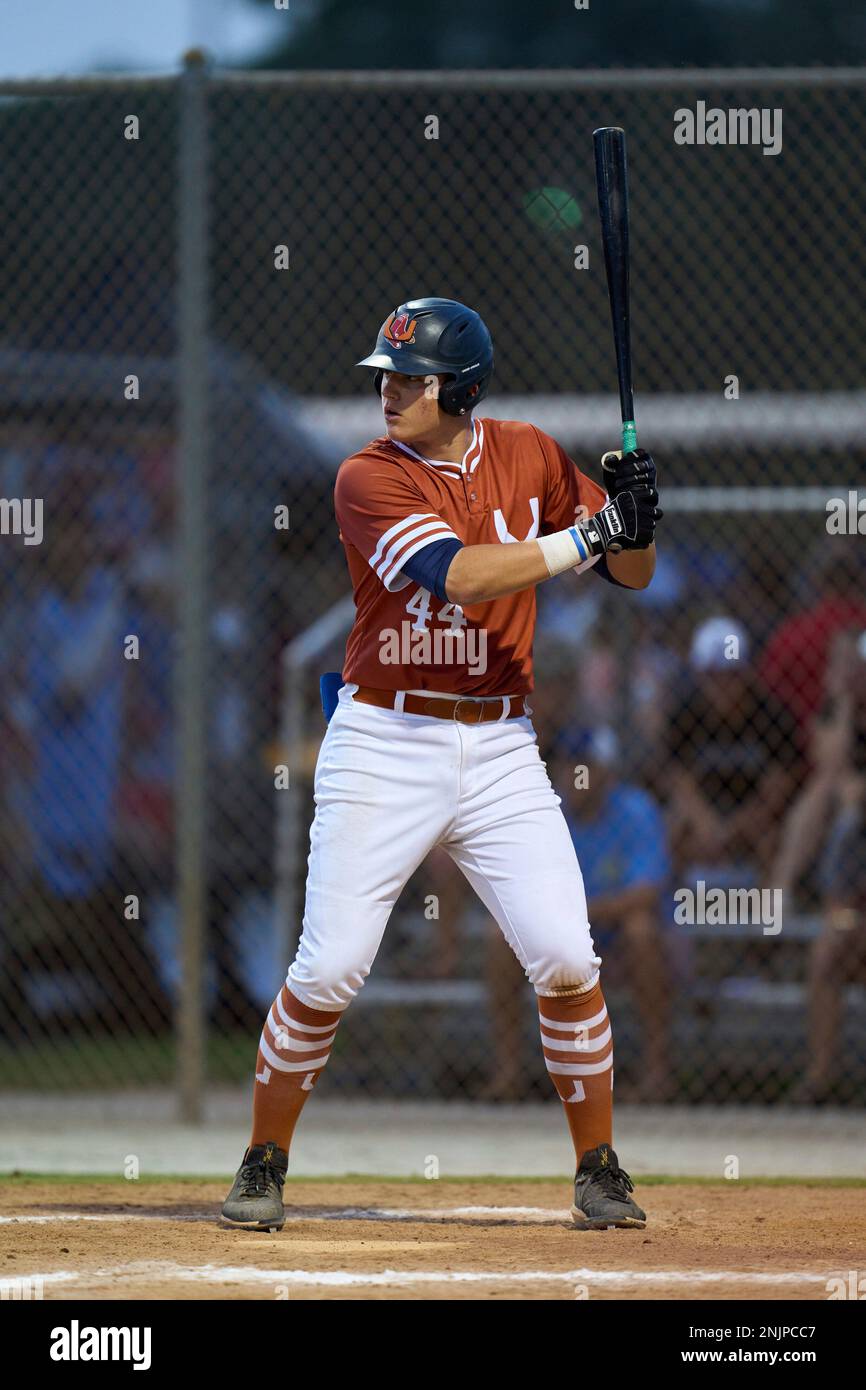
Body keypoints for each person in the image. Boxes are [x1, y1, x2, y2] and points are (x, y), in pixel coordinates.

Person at [221, 298, 662, 1232]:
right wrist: (591, 534)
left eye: (409, 380)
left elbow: (635, 576)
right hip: (385, 739)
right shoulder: (365, 478)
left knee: (565, 956)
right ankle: (264, 1157)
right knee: (331, 967)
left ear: (459, 388)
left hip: (501, 742)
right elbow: (461, 574)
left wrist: (635, 518)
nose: (388, 393)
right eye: (385, 377)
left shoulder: (530, 454)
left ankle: (599, 1167)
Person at [774, 629, 866, 1103]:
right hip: (851, 869)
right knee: (828, 954)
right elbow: (829, 768)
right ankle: (820, 1077)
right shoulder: (838, 711)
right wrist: (846, 702)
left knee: (849, 804)